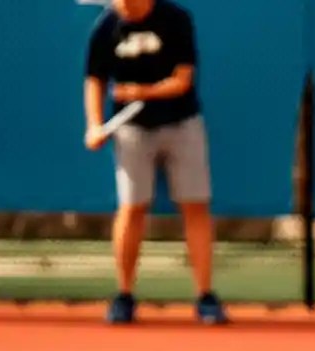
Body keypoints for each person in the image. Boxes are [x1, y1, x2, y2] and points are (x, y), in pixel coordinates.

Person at [84, 0, 227, 325]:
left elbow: (182, 78)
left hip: (182, 125)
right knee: (132, 207)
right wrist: (94, 124)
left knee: (195, 205)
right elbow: (95, 80)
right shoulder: (106, 28)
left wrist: (142, 92)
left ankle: (205, 297)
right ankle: (124, 296)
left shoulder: (176, 19)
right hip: (132, 132)